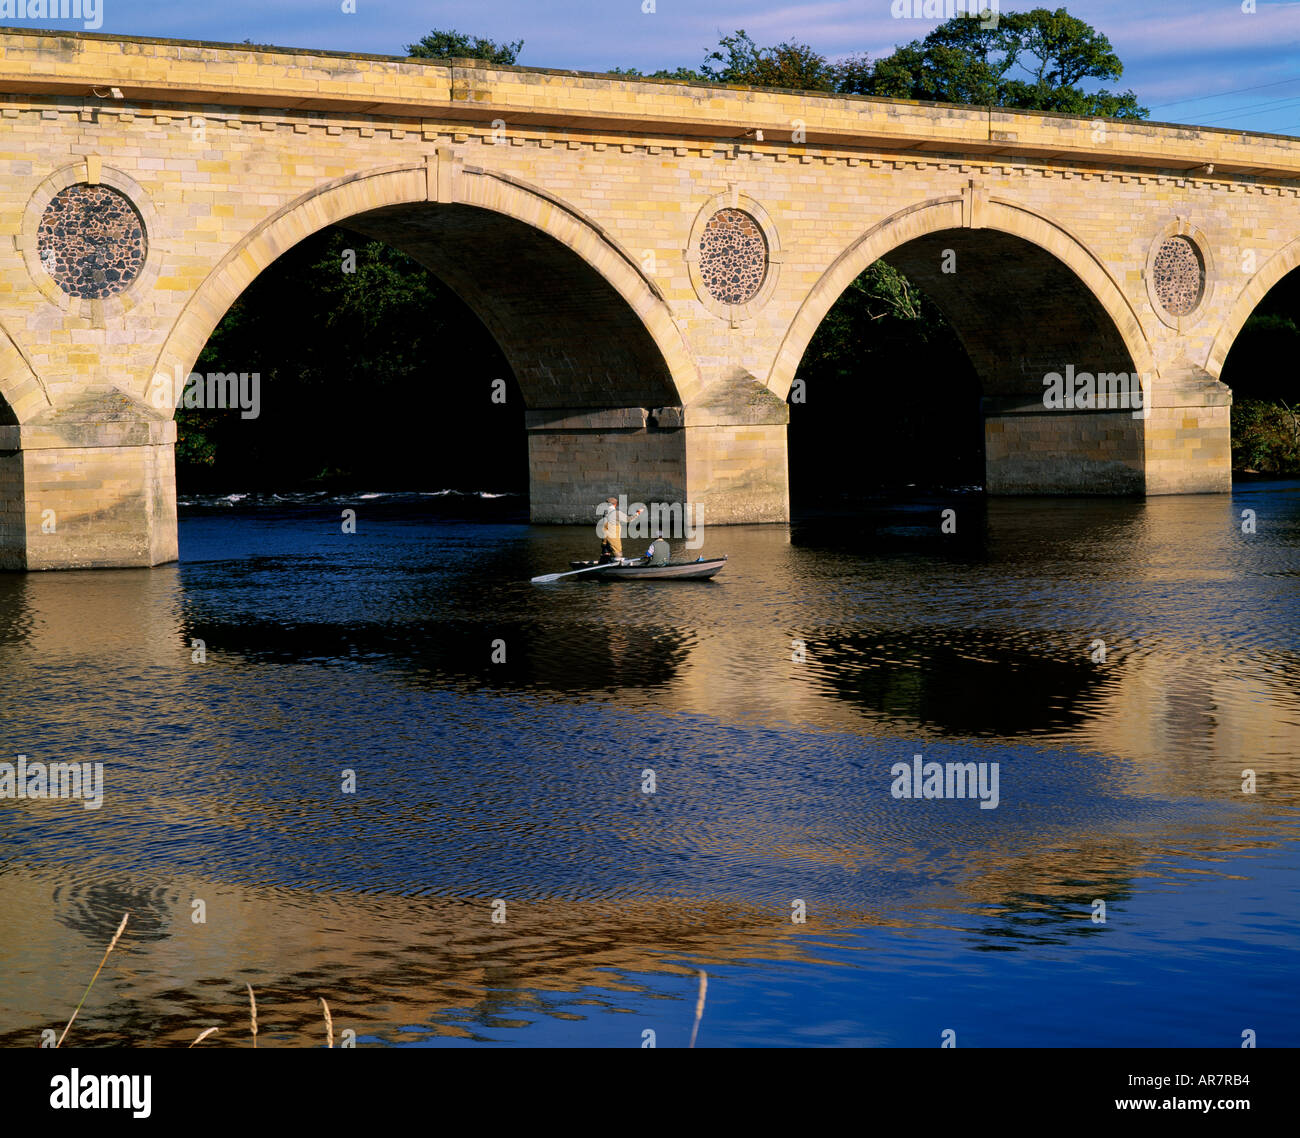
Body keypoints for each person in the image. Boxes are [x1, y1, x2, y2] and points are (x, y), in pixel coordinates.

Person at [596, 496, 643, 561]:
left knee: (606, 552)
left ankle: (603, 562)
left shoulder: (605, 512)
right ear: (615, 504)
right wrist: (638, 513)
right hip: (613, 536)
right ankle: (618, 566)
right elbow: (628, 519)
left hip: (604, 537)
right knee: (618, 554)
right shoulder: (616, 513)